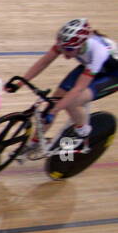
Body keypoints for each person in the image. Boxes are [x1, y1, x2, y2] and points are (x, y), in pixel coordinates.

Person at [13, 18, 117, 152]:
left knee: (71, 102)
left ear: (81, 45)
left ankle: (83, 132)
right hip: (91, 67)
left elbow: (78, 89)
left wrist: (54, 111)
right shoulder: (68, 43)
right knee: (55, 99)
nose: (64, 53)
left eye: (67, 49)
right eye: (62, 47)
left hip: (112, 76)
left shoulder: (98, 51)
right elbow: (43, 62)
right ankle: (35, 143)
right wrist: (21, 82)